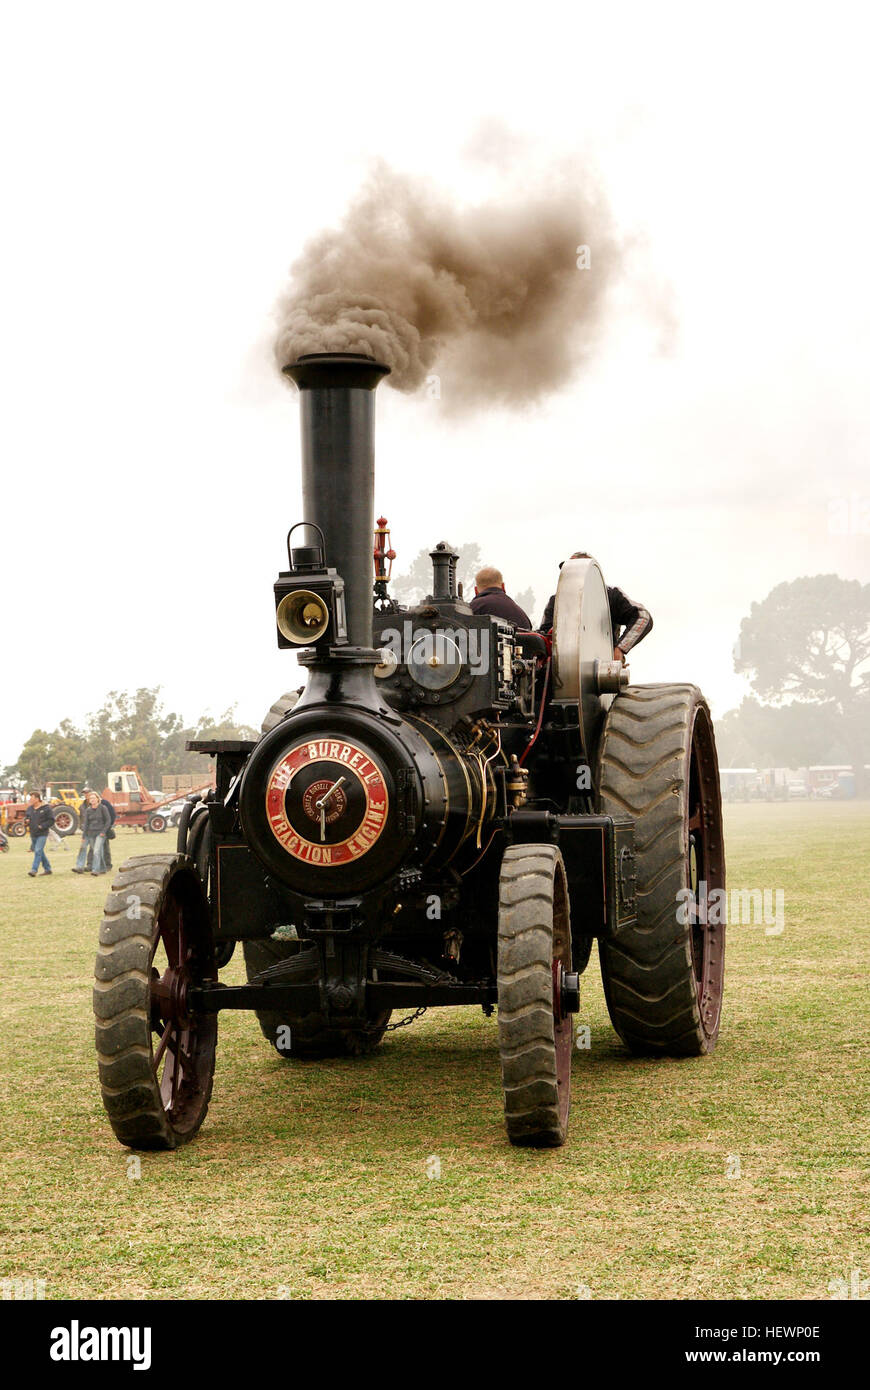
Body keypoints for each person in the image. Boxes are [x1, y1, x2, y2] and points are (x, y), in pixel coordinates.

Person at [540, 552, 653, 661]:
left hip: (603, 670)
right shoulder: (556, 600)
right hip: (563, 669)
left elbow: (643, 617)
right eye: (569, 571)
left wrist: (620, 649)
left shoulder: (610, 595)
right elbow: (544, 637)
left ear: (591, 574)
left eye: (577, 570)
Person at [73, 791, 111, 876]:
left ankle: (95, 870)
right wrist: (83, 836)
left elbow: (108, 821)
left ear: (98, 799)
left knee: (96, 851)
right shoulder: (88, 810)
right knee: (91, 850)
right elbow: (86, 823)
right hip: (90, 833)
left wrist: (103, 832)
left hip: (100, 833)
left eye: (94, 798)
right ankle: (101, 868)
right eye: (90, 799)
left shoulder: (103, 808)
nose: (92, 800)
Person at [25, 791, 56, 877]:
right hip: (33, 833)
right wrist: (26, 821)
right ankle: (48, 869)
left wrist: (42, 826)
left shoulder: (46, 808)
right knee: (40, 852)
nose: (30, 799)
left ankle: (34, 870)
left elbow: (52, 820)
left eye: (32, 798)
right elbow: (27, 817)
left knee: (38, 850)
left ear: (37, 799)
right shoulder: (30, 809)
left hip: (42, 833)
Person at [86, 794, 116, 872]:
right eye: (86, 794)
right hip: (92, 832)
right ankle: (91, 865)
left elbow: (111, 815)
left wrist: (107, 828)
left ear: (97, 798)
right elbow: (86, 820)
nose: (86, 795)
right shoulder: (87, 806)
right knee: (93, 850)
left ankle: (105, 866)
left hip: (103, 830)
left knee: (104, 849)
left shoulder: (105, 804)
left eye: (93, 797)